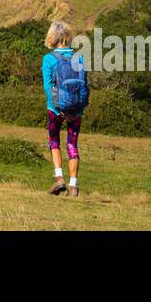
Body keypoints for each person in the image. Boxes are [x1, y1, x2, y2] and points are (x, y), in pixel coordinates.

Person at [42, 21, 85, 196]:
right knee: (72, 144)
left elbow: (47, 86)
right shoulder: (79, 58)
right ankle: (73, 186)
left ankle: (59, 178)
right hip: (76, 108)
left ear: (52, 37)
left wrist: (58, 107)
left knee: (54, 141)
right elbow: (84, 84)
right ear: (68, 37)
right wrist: (75, 108)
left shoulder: (49, 58)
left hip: (55, 108)